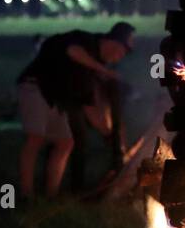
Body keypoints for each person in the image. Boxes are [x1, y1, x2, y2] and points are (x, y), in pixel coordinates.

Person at [16, 22, 134, 200]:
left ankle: (51, 194)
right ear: (113, 43)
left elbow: (90, 107)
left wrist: (110, 135)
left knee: (66, 142)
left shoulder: (91, 72)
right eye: (121, 53)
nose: (118, 59)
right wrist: (103, 71)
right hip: (35, 85)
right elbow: (72, 52)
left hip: (56, 98)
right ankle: (26, 193)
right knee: (35, 138)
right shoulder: (84, 39)